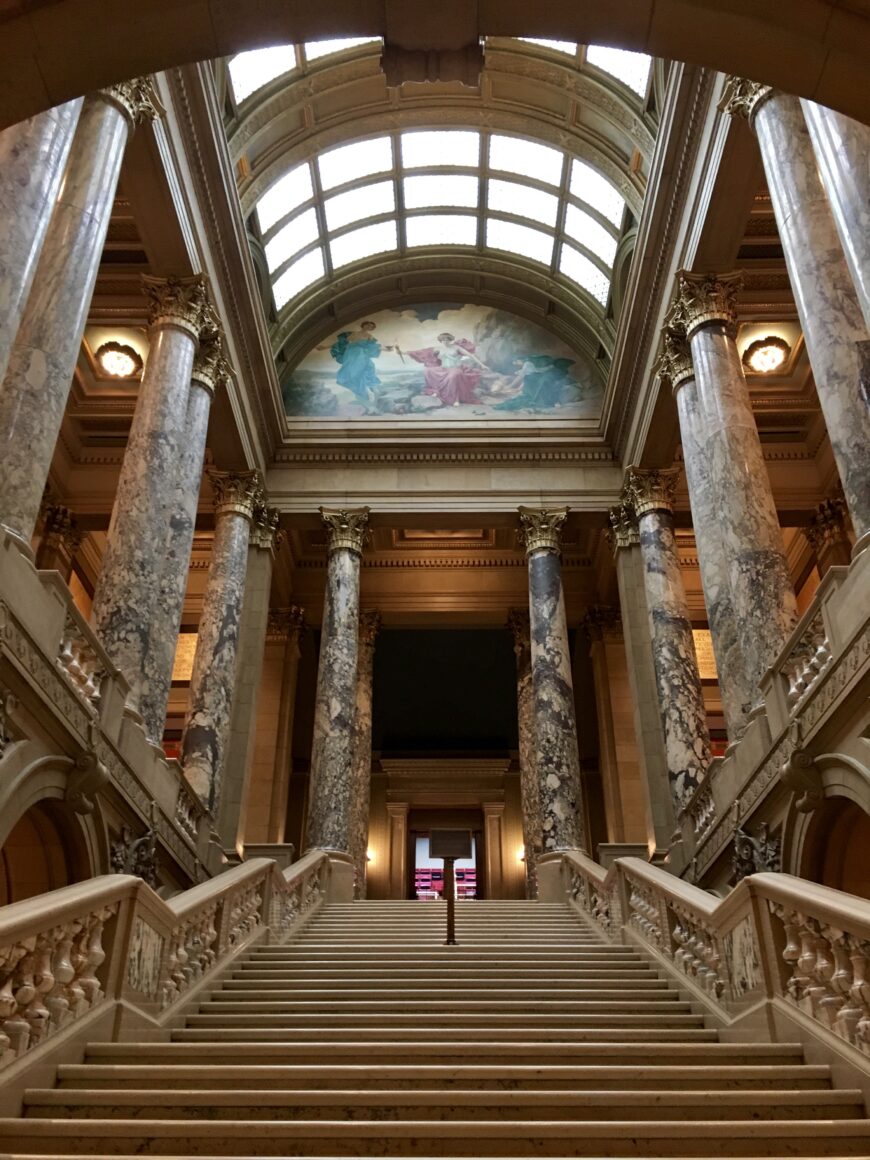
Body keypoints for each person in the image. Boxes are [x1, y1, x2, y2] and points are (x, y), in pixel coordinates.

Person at [319, 321, 394, 411]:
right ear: (363, 325)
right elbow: (339, 344)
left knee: (364, 371)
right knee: (353, 374)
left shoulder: (369, 336)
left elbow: (374, 347)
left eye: (371, 327)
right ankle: (365, 393)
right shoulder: (352, 334)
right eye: (368, 325)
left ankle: (368, 393)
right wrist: (324, 347)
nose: (369, 327)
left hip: (361, 355)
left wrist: (386, 349)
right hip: (351, 355)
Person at [407, 332, 488, 406]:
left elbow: (471, 355)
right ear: (440, 341)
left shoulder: (456, 347)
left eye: (447, 339)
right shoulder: (437, 349)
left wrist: (482, 364)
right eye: (443, 340)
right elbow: (421, 352)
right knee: (428, 370)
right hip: (444, 369)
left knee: (453, 376)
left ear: (450, 340)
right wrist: (403, 352)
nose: (445, 341)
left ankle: (455, 399)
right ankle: (437, 392)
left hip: (456, 368)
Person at [493, 355, 576, 411]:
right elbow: (526, 379)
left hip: (539, 380)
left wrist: (509, 387)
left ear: (519, 360)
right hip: (536, 379)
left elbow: (520, 378)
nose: (516, 365)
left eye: (516, 363)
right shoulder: (530, 366)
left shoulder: (527, 364)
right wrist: (517, 388)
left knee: (533, 391)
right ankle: (538, 401)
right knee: (532, 384)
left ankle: (538, 401)